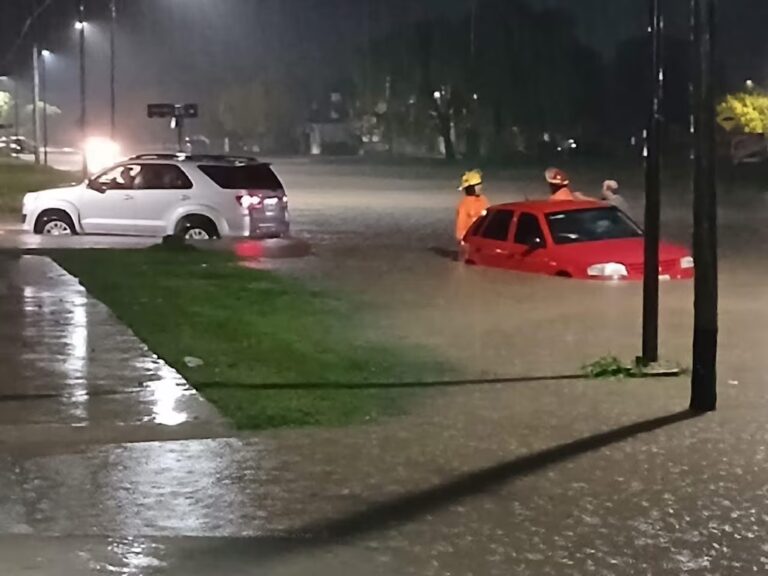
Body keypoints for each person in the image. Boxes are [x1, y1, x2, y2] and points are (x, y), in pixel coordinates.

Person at [455, 169, 490, 243]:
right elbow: (461, 225)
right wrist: (462, 240)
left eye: (480, 184)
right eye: (477, 185)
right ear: (471, 188)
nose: (480, 186)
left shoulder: (483, 200)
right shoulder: (464, 205)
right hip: (471, 240)